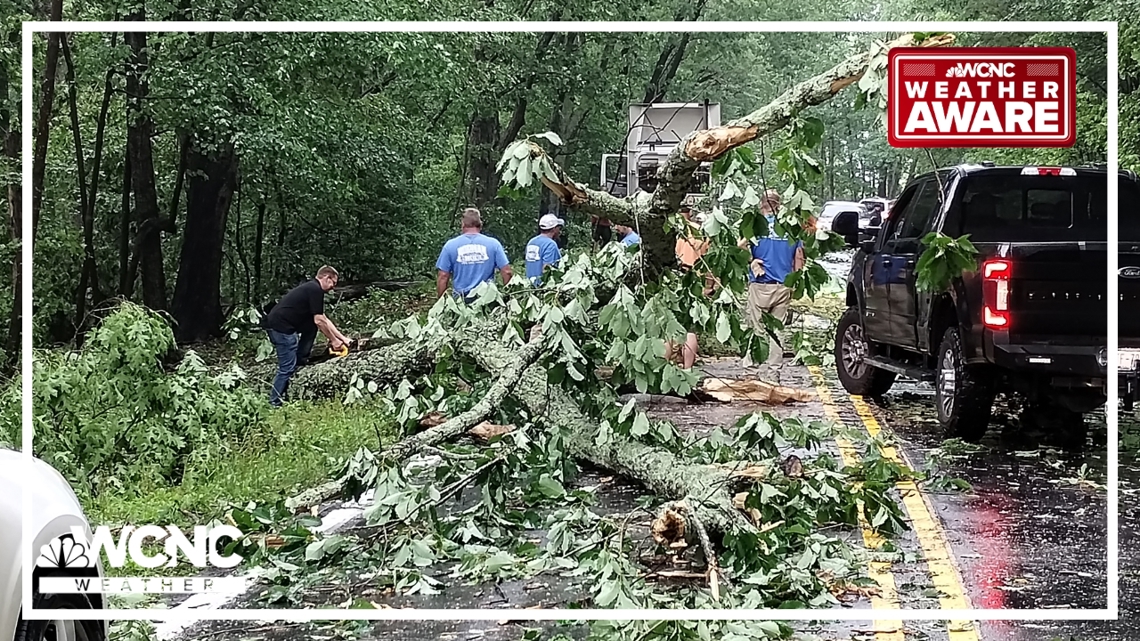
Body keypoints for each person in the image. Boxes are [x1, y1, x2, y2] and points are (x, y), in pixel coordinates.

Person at [737, 190, 804, 372]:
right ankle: (774, 367)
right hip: (783, 285)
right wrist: (795, 283)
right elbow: (799, 257)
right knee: (778, 329)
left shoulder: (755, 226)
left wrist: (752, 261)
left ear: (761, 204)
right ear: (779, 205)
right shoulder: (790, 226)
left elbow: (738, 247)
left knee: (757, 327)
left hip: (760, 284)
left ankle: (751, 365)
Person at [264, 265, 351, 407]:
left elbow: (322, 319)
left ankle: (300, 360)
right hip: (281, 328)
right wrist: (333, 341)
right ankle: (274, 402)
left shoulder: (313, 288)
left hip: (283, 324)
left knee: (311, 326)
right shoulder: (314, 289)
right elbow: (319, 321)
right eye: (333, 283)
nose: (333, 288)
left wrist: (342, 338)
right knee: (286, 368)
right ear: (326, 277)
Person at [436, 207, 513, 302]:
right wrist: (508, 298)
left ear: (463, 224)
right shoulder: (493, 244)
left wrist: (441, 303)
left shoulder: (450, 246)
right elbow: (507, 272)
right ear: (480, 224)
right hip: (486, 299)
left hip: (461, 300)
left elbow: (443, 276)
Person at [667, 209, 711, 370]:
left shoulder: (671, 230)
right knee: (690, 329)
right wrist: (709, 286)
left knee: (668, 327)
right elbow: (708, 260)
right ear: (690, 212)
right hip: (695, 283)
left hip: (673, 281)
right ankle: (687, 368)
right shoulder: (700, 232)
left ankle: (665, 366)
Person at [525, 213, 564, 284]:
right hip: (542, 289)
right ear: (554, 229)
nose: (559, 231)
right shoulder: (550, 244)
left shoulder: (531, 242)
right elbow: (547, 269)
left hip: (529, 286)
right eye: (558, 228)